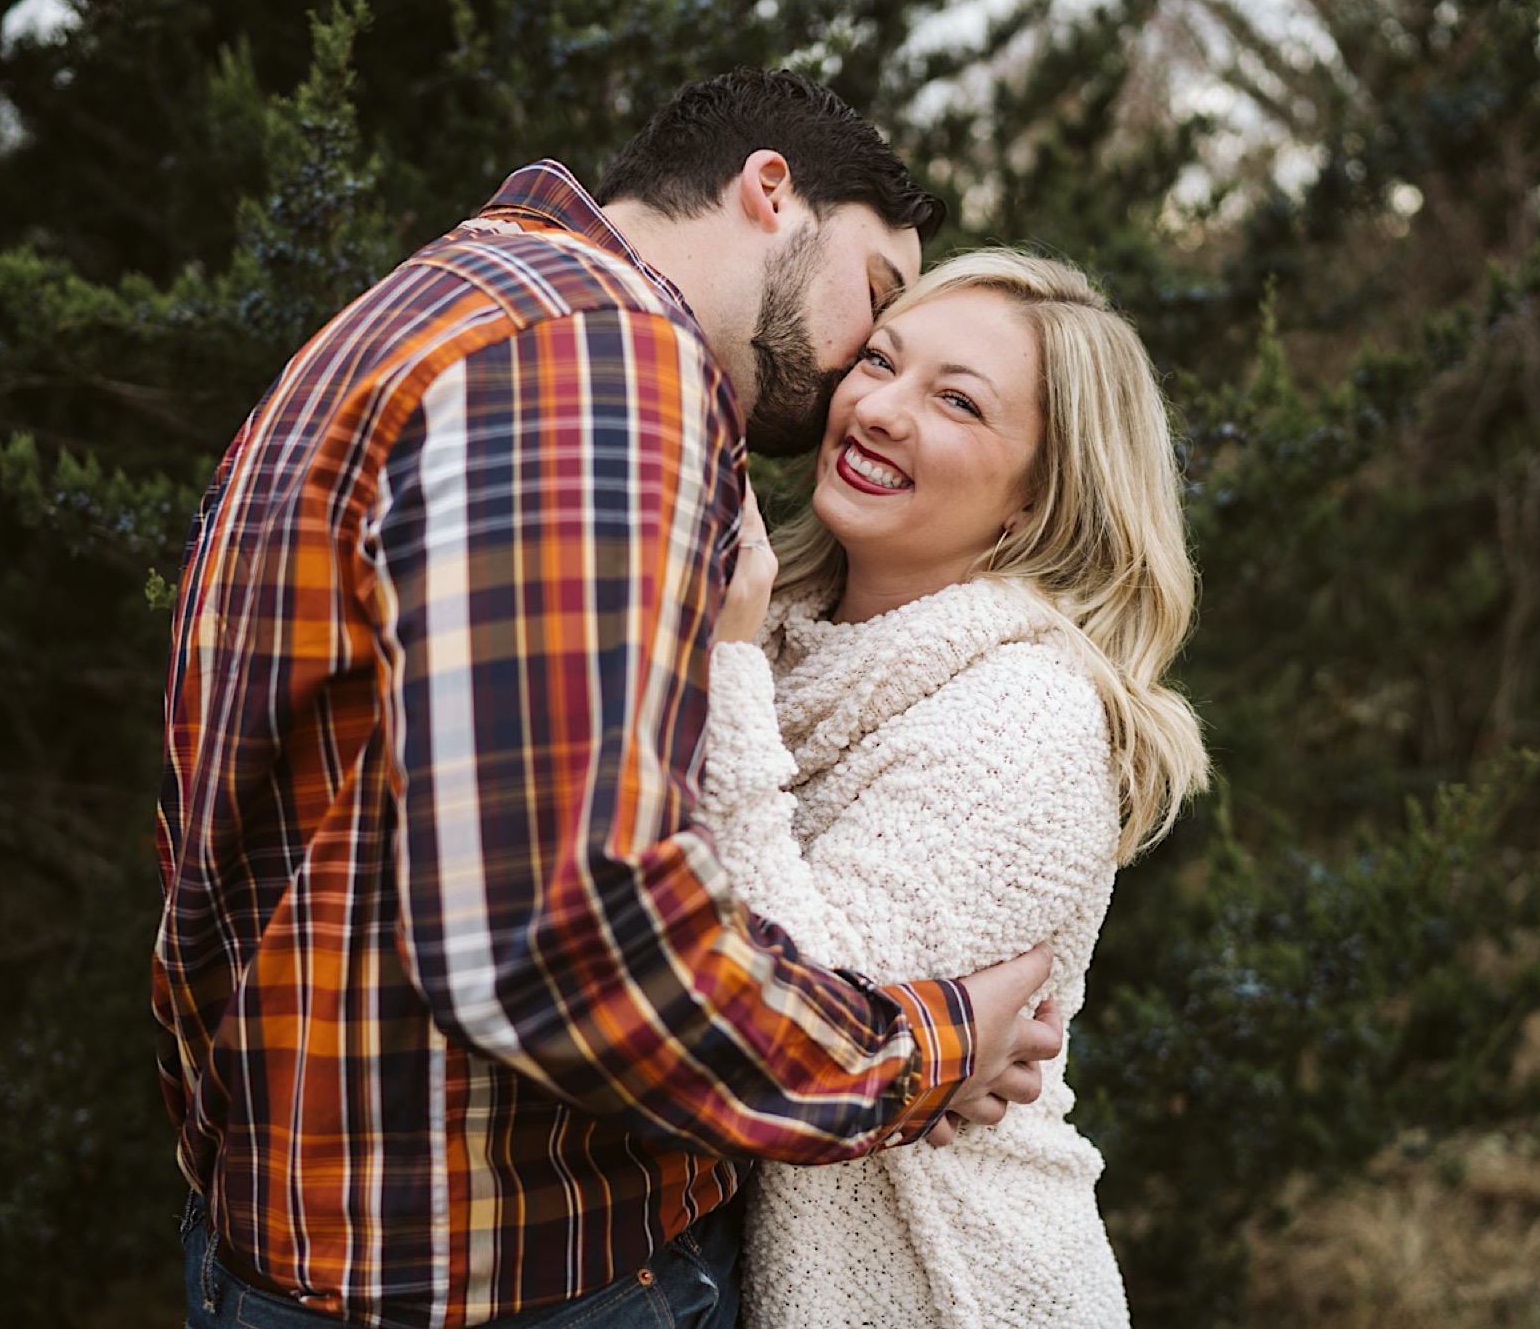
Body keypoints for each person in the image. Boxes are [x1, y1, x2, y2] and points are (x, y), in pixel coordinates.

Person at [152, 70, 1068, 1329]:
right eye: (878, 299)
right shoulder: (601, 357)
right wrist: (924, 1049)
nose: (861, 369)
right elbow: (566, 938)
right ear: (769, 192)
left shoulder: (416, 313)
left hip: (288, 1234)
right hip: (497, 1267)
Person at [698, 248, 1211, 1327]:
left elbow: (797, 1017)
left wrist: (731, 669)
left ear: (1034, 501)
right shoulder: (783, 636)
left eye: (956, 402)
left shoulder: (1023, 715)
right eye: (878, 360)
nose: (878, 408)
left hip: (951, 1288)